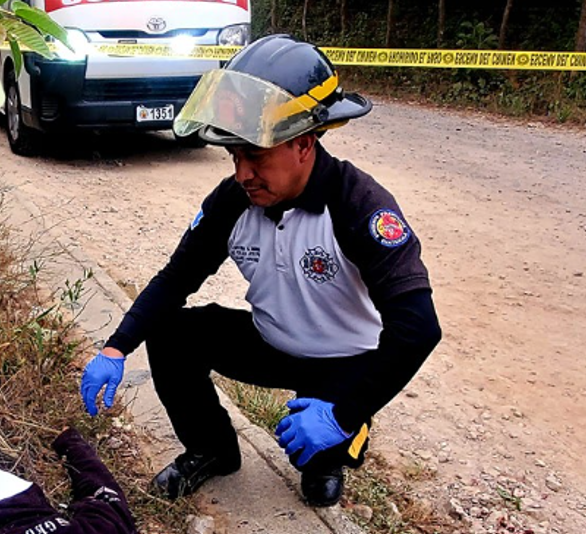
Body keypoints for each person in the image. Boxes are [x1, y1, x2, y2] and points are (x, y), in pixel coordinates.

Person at [78, 35, 442, 507]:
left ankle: (334, 449)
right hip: (272, 341)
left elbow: (418, 328)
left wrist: (345, 414)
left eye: (256, 156)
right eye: (235, 156)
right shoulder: (234, 201)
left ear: (305, 143)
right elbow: (176, 279)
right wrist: (116, 346)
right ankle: (211, 449)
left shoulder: (359, 205)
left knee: (318, 472)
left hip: (343, 358)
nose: (243, 173)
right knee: (170, 332)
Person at [0, 428, 137, 534]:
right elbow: (107, 499)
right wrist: (71, 444)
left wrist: (71, 443)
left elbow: (108, 501)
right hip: (13, 504)